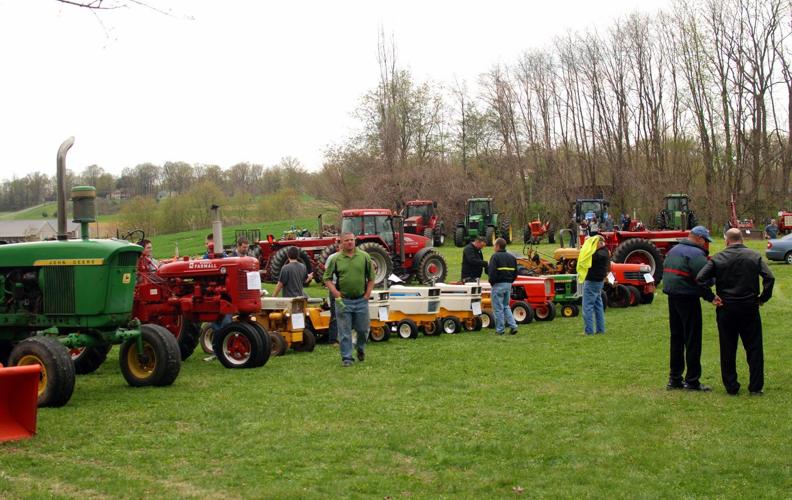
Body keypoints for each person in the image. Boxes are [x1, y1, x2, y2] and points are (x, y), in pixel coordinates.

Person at [696, 228, 775, 396]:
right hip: (749, 306)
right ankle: (755, 387)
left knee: (728, 347)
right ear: (742, 240)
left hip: (726, 307)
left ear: (726, 241)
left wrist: (710, 297)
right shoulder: (754, 256)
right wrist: (762, 298)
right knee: (754, 347)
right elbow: (769, 277)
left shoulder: (717, 258)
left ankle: (731, 386)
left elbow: (700, 279)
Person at [662, 226, 716, 391]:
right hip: (688, 299)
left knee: (677, 338)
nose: (706, 244)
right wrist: (711, 296)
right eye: (706, 241)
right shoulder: (696, 254)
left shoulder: (673, 250)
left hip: (673, 298)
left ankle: (675, 378)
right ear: (699, 238)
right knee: (692, 339)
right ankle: (692, 380)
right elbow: (703, 279)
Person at [323, 232, 375, 367]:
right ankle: (347, 358)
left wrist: (367, 294)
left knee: (363, 329)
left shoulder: (364, 257)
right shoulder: (336, 259)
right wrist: (335, 293)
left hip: (361, 299)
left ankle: (360, 348)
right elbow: (326, 278)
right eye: (346, 240)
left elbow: (371, 278)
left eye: (352, 240)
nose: (350, 242)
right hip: (343, 301)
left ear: (355, 241)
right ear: (341, 243)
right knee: (344, 331)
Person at [576, 234, 609, 335]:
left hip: (592, 282)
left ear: (598, 243)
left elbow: (587, 256)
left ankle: (589, 331)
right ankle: (600, 329)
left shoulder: (597, 255)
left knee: (587, 307)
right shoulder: (605, 252)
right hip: (599, 283)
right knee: (598, 306)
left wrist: (587, 244)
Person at [488, 238, 518, 336]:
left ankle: (500, 330)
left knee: (498, 308)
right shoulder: (512, 257)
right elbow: (515, 273)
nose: (493, 247)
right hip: (508, 285)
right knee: (506, 306)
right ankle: (513, 326)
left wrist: (492, 283)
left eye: (494, 245)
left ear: (497, 246)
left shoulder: (495, 257)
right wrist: (510, 281)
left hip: (498, 285)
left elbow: (491, 272)